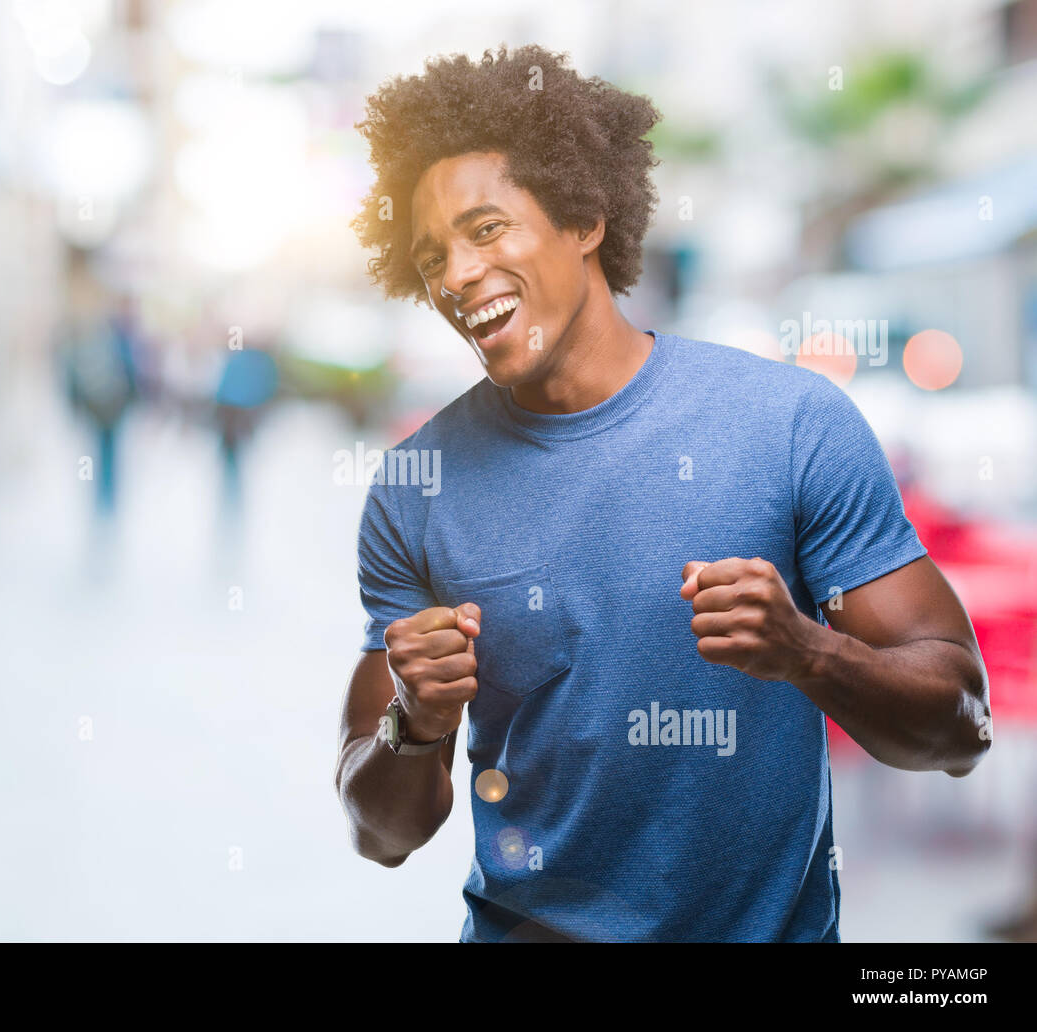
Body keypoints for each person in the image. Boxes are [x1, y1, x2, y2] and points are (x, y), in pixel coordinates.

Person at [333, 44, 991, 943]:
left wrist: (808, 652)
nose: (454, 275)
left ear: (586, 218)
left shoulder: (791, 423)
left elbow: (961, 730)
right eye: (432, 255)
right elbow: (381, 835)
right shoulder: (417, 489)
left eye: (485, 229)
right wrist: (415, 723)